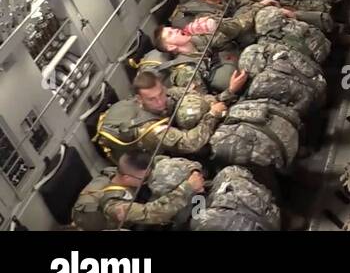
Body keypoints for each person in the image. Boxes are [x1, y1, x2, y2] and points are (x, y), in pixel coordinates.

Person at [96, 71, 231, 160]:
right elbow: (189, 144)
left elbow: (196, 96)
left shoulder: (167, 93)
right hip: (147, 159)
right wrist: (212, 115)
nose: (160, 101)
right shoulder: (149, 129)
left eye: (160, 94)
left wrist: (212, 104)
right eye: (152, 99)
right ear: (139, 100)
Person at [72, 152, 204, 231]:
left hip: (136, 205)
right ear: (127, 178)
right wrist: (188, 187)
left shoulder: (118, 173)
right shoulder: (113, 205)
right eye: (144, 178)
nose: (147, 179)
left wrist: (193, 172)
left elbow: (156, 160)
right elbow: (151, 214)